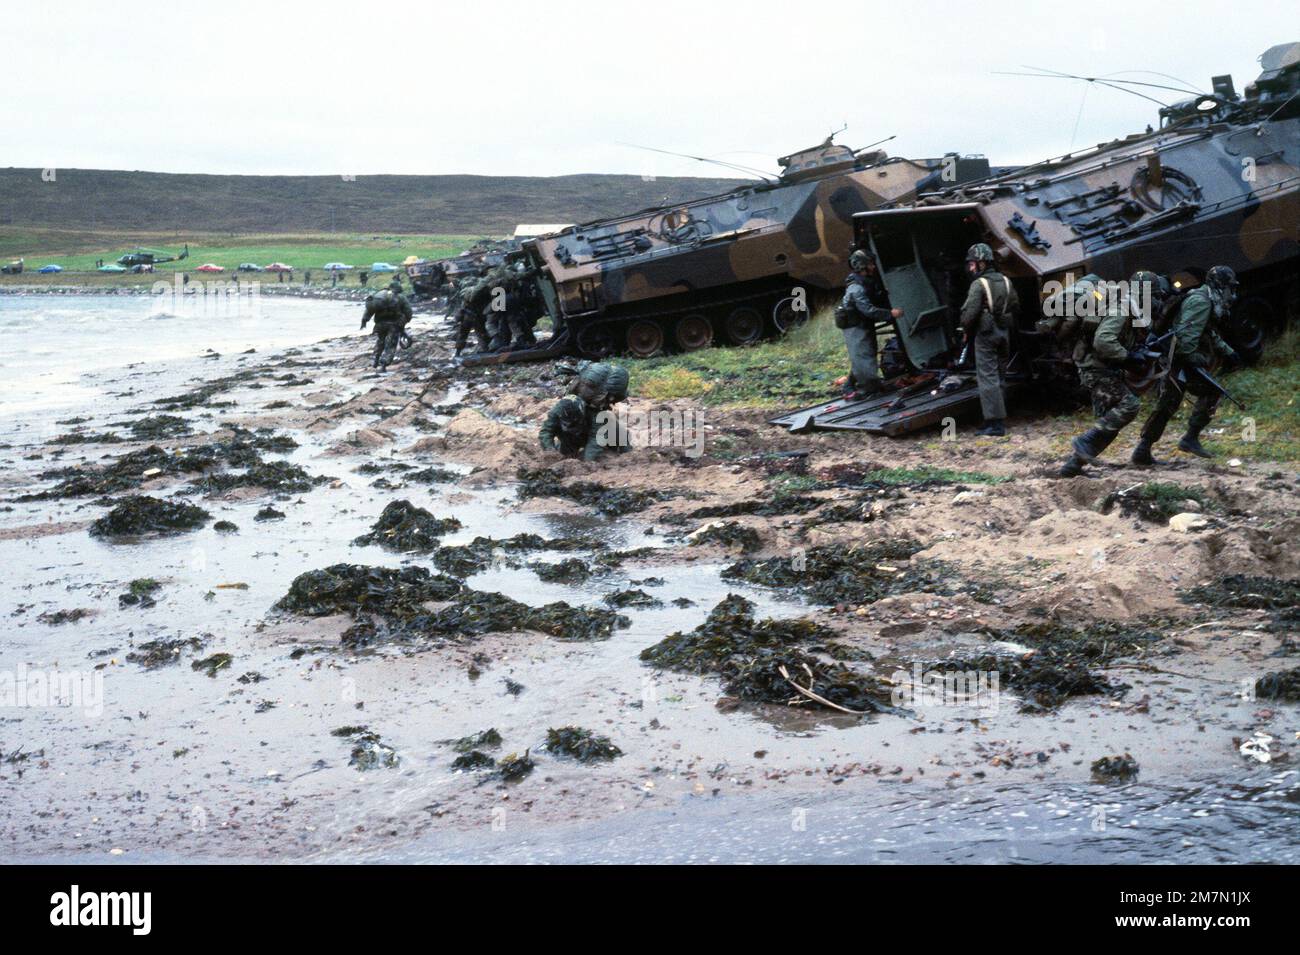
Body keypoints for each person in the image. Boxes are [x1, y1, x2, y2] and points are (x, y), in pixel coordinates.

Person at [1131, 266, 1241, 464]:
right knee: (1173, 402)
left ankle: (1150, 448)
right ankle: (1171, 443)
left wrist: (1228, 351)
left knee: (1173, 401)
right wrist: (1193, 359)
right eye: (1229, 288)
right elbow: (1186, 339)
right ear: (1219, 286)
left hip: (1179, 357)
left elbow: (1207, 331)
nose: (1231, 294)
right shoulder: (1201, 302)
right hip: (1178, 359)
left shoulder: (1205, 299)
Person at [1058, 272, 1154, 477]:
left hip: (1098, 367)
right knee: (1129, 406)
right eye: (1153, 296)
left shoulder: (1127, 307)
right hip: (1097, 369)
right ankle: (1083, 443)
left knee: (1108, 423)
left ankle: (1073, 466)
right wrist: (1127, 357)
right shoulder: (1121, 308)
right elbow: (1103, 341)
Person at [958, 242, 1018, 436]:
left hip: (986, 334)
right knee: (1000, 375)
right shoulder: (1006, 280)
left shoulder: (979, 284)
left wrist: (966, 329)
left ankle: (994, 423)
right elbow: (1016, 305)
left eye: (973, 263)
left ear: (982, 263)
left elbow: (970, 312)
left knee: (987, 377)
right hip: (1004, 332)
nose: (971, 267)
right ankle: (999, 416)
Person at [834, 249, 901, 398]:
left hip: (861, 323)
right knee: (863, 356)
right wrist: (890, 313)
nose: (873, 267)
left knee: (864, 354)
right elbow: (868, 310)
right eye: (870, 264)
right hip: (855, 325)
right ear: (862, 267)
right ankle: (868, 388)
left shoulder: (866, 282)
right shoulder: (856, 288)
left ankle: (851, 385)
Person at [359, 279, 413, 370]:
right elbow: (408, 311)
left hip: (380, 324)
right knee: (390, 344)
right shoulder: (401, 297)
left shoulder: (380, 296)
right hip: (394, 324)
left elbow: (369, 311)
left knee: (381, 341)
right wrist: (404, 323)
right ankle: (384, 364)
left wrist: (364, 321)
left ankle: (376, 358)